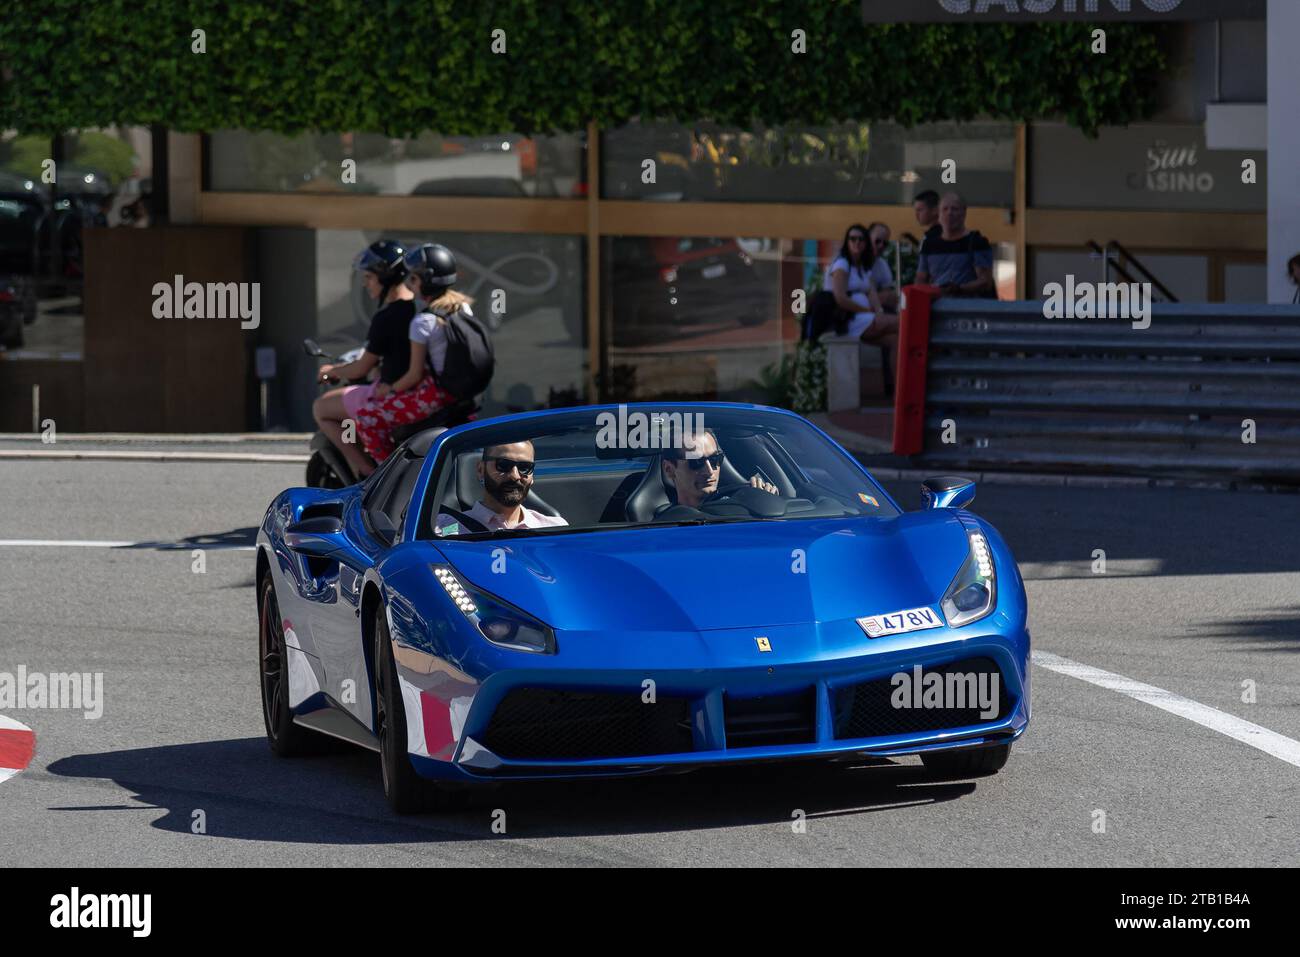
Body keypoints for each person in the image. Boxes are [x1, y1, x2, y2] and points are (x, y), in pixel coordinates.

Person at [312, 240, 417, 478]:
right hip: (414, 393)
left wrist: (333, 370)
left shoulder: (387, 316)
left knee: (321, 407)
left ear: (385, 276)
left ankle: (369, 473)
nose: (365, 283)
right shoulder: (418, 310)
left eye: (369, 276)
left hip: (392, 395)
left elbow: (362, 366)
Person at [435, 440, 569, 535]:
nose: (515, 476)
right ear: (481, 470)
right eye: (503, 465)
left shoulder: (554, 529)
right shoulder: (448, 529)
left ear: (532, 475)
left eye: (524, 468)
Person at [661, 429, 777, 510]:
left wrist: (765, 502)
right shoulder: (661, 526)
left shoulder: (744, 506)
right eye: (696, 462)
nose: (710, 471)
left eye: (715, 459)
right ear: (669, 469)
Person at [827, 223, 900, 347]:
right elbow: (840, 298)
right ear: (847, 242)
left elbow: (872, 292)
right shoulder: (842, 264)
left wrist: (879, 312)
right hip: (849, 319)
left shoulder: (863, 267)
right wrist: (867, 310)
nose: (857, 242)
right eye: (853, 239)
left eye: (861, 239)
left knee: (896, 340)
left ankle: (900, 367)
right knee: (904, 323)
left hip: (865, 318)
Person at [914, 192, 995, 299]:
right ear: (939, 214)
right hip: (937, 309)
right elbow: (921, 279)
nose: (949, 213)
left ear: (964, 213)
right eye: (945, 209)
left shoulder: (977, 242)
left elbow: (985, 282)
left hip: (968, 309)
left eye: (955, 209)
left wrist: (959, 289)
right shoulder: (929, 244)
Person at [867, 221, 900, 313]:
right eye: (877, 241)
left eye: (885, 243)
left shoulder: (882, 265)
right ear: (867, 239)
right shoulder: (853, 260)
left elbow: (888, 297)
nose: (881, 246)